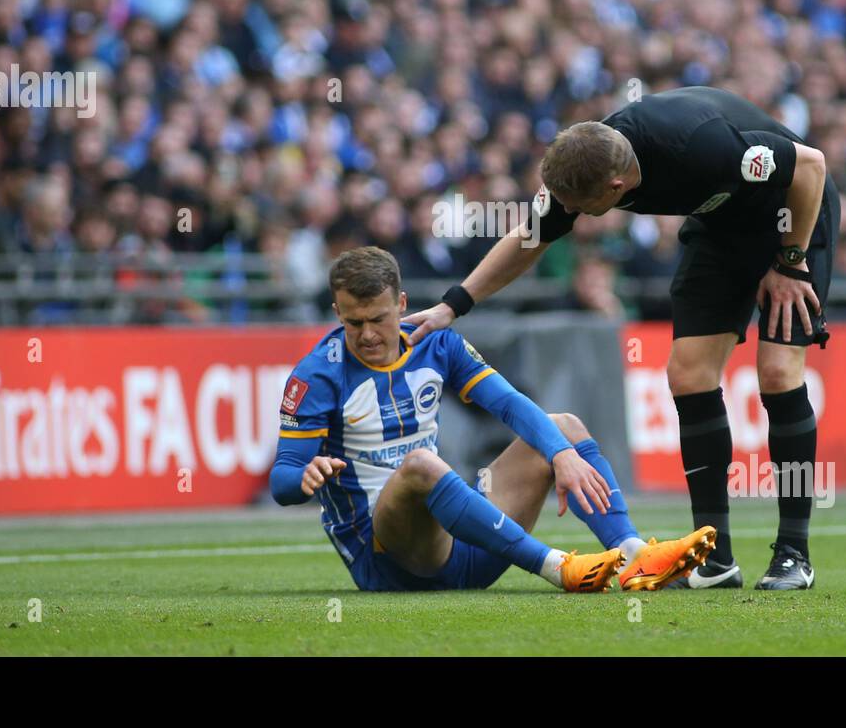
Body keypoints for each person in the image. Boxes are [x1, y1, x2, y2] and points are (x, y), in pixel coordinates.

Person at [405, 86, 840, 590]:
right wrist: (452, 304)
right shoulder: (586, 161)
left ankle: (794, 554)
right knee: (688, 374)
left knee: (778, 374)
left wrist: (789, 261)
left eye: (580, 209)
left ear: (615, 188)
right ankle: (714, 557)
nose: (573, 217)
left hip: (794, 218)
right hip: (722, 228)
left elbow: (810, 166)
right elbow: (530, 238)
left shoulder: (701, 147)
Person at [269, 246, 714, 593]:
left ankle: (633, 553)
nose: (367, 334)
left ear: (401, 303)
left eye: (379, 319)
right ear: (336, 313)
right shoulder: (316, 374)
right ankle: (558, 567)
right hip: (389, 562)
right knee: (421, 465)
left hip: (466, 547)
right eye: (354, 322)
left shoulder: (435, 344)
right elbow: (282, 481)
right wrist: (304, 475)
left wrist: (560, 454)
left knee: (564, 426)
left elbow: (509, 403)